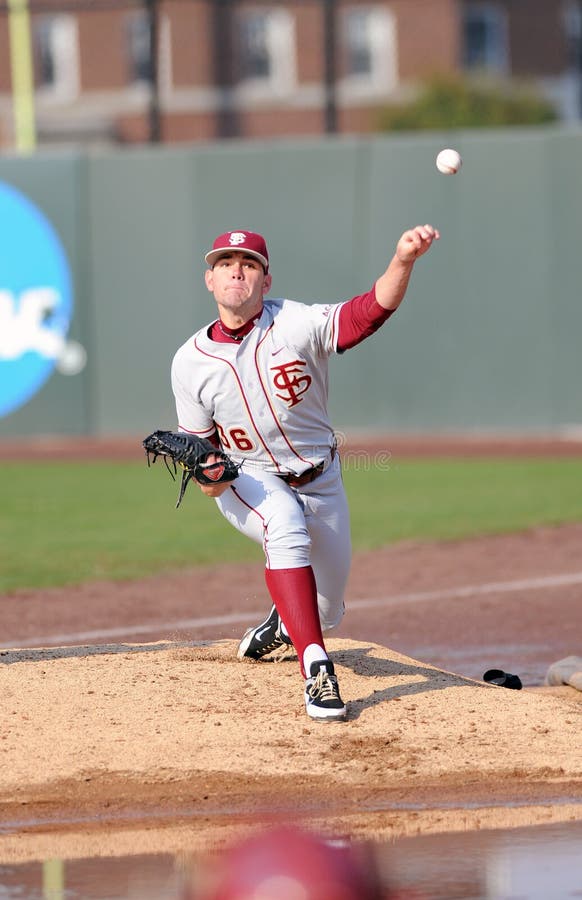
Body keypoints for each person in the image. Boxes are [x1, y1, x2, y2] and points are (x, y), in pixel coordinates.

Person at [171, 225, 439, 722]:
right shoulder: (189, 362)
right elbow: (205, 463)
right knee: (284, 527)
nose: (236, 270)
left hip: (322, 478)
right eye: (225, 262)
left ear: (265, 282)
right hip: (250, 479)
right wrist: (210, 476)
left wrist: (403, 260)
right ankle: (316, 668)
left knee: (329, 610)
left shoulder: (296, 323)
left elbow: (367, 313)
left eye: (249, 263)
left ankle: (286, 623)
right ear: (209, 280)